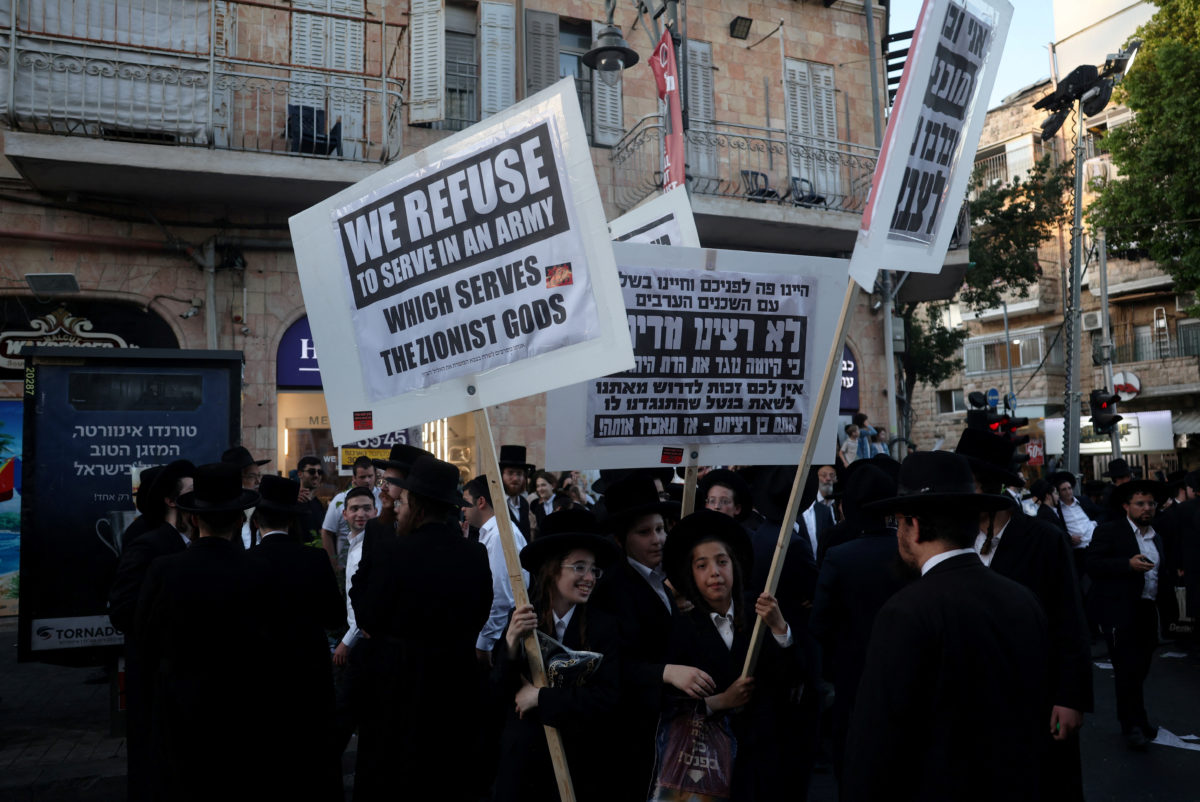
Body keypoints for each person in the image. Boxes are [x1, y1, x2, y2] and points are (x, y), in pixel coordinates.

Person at [843, 451, 1049, 802]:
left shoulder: (904, 613)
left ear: (916, 526)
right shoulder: (1023, 599)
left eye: (898, 523)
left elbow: (877, 744)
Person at [956, 429, 1092, 800]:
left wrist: (1070, 697)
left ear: (993, 486)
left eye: (969, 484)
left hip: (1035, 695)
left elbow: (1069, 620)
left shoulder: (1044, 539)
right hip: (970, 700)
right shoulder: (953, 539)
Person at [350, 454, 493, 800]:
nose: (397, 508)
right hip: (455, 685)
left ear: (415, 504)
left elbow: (367, 614)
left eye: (402, 502)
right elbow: (481, 611)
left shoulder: (393, 553)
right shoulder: (473, 555)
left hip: (398, 689)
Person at [135, 462, 261, 801]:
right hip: (243, 713)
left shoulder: (165, 570)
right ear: (239, 520)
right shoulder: (258, 571)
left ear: (193, 519)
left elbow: (144, 643)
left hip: (180, 710)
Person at [659, 509, 803, 801]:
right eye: (702, 565)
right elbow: (668, 706)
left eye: (721, 562)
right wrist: (720, 702)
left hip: (763, 761)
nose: (714, 573)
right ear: (691, 574)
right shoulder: (681, 627)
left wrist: (780, 629)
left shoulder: (761, 612)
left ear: (734, 566)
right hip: (707, 767)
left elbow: (793, 682)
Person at [492, 513, 623, 802]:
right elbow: (500, 692)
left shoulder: (604, 627)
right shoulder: (526, 619)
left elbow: (607, 699)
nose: (589, 578)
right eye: (579, 567)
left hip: (579, 763)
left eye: (593, 569)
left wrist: (540, 697)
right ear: (552, 570)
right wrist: (512, 642)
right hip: (525, 765)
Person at [590, 475, 696, 800]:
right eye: (644, 532)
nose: (658, 539)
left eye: (661, 529)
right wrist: (665, 671)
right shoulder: (611, 589)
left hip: (664, 725)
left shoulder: (663, 577)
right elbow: (611, 665)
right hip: (632, 734)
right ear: (621, 540)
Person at [245, 475, 344, 799]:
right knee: (312, 758)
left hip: (260, 677)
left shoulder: (246, 562)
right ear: (292, 519)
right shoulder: (313, 559)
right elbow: (333, 617)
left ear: (256, 519)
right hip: (308, 675)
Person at [809, 461, 908, 782]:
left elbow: (819, 623)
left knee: (853, 760)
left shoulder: (841, 555)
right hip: (903, 670)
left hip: (851, 675)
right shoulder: (909, 551)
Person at [107, 459, 195, 802]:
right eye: (191, 492)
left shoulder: (180, 535)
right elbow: (124, 609)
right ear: (171, 501)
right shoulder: (147, 539)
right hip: (154, 668)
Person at [1088, 478, 1177, 750]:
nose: (1147, 508)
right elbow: (1093, 564)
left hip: (1147, 610)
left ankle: (1138, 718)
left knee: (1140, 670)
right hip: (1120, 611)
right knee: (1126, 671)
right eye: (1140, 504)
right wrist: (1126, 564)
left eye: (1150, 503)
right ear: (1127, 506)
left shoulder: (1156, 536)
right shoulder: (1110, 531)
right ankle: (1132, 726)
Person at [464, 474, 530, 666]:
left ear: (481, 501)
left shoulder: (499, 536)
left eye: (466, 501)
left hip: (500, 638)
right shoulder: (491, 533)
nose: (462, 507)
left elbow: (500, 595)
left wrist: (485, 643)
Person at [332, 486, 376, 757]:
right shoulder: (355, 542)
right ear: (345, 513)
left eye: (366, 508)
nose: (361, 514)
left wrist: (347, 641)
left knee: (346, 709)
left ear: (375, 511)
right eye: (355, 509)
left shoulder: (373, 547)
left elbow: (368, 604)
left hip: (362, 640)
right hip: (354, 637)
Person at [320, 455, 383, 573]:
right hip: (345, 567)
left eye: (370, 476)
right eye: (362, 477)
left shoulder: (384, 498)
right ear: (354, 478)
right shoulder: (340, 500)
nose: (367, 481)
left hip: (377, 566)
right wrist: (333, 566)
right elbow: (326, 532)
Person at [221, 445, 269, 550]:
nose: (258, 481)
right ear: (236, 480)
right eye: (252, 476)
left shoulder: (260, 511)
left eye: (259, 475)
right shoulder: (223, 516)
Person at [800, 464, 838, 565]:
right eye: (824, 475)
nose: (828, 479)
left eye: (832, 475)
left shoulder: (837, 504)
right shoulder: (806, 507)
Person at [498, 444, 534, 538]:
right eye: (510, 473)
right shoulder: (494, 502)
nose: (515, 478)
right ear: (501, 475)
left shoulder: (524, 503)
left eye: (519, 474)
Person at [295, 455, 327, 544]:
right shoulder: (292, 501)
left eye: (319, 472)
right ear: (300, 474)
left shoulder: (318, 504)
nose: (316, 475)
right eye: (312, 471)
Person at [530, 470, 558, 537]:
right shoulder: (538, 508)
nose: (540, 489)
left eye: (543, 485)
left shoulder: (562, 502)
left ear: (552, 486)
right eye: (538, 486)